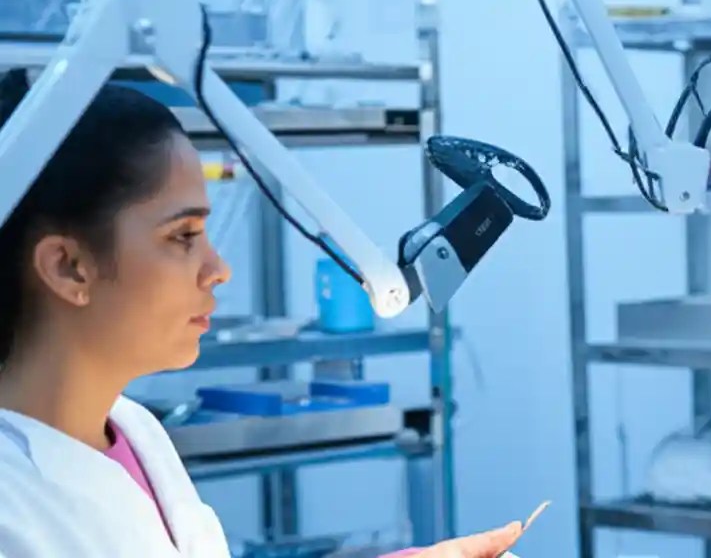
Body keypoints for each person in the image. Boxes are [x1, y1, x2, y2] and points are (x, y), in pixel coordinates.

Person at [0, 70, 524, 558]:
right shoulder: (12, 508)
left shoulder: (132, 431)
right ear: (69, 267)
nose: (218, 269)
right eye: (183, 236)